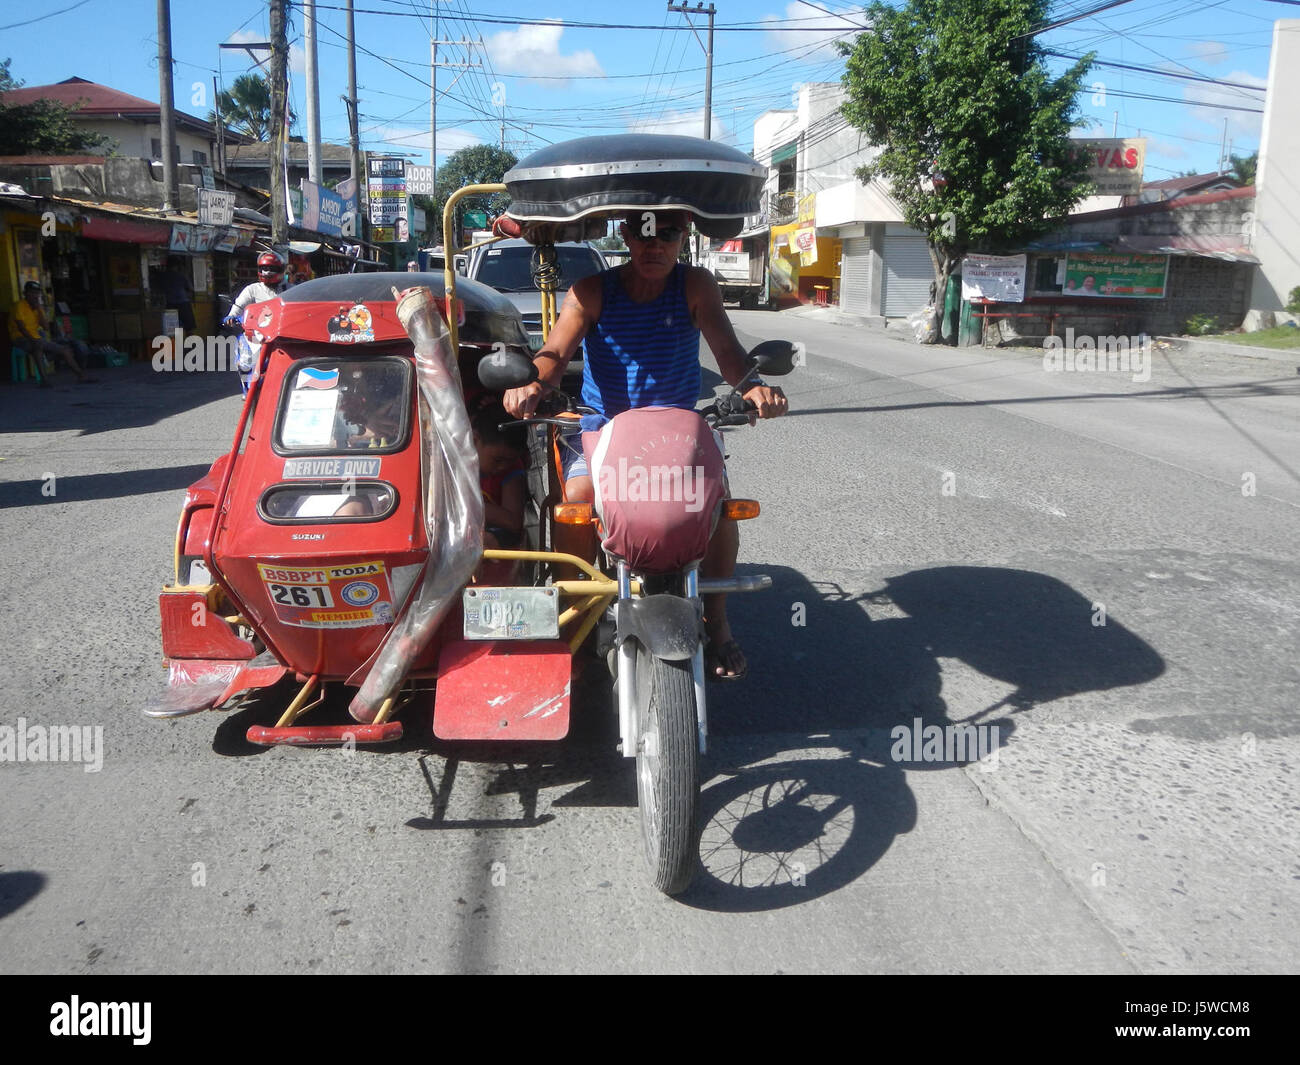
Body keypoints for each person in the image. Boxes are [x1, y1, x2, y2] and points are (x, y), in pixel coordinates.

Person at [503, 209, 788, 680]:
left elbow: (729, 353)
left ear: (684, 236)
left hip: (677, 429)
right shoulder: (591, 291)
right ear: (626, 235)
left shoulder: (695, 285)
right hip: (602, 424)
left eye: (668, 235)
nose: (655, 247)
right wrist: (532, 384)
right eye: (643, 234)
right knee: (577, 498)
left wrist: (752, 386)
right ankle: (577, 616)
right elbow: (553, 354)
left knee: (716, 503)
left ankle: (716, 620)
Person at [9, 281, 93, 385]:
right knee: (38, 347)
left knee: (64, 350)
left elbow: (46, 327)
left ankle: (81, 376)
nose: (35, 296)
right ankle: (44, 380)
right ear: (25, 293)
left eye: (37, 293)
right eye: (32, 293)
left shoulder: (37, 308)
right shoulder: (19, 306)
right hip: (20, 338)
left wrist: (39, 310)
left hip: (37, 339)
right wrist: (34, 340)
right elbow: (21, 328)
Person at [473, 403, 527, 549]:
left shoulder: (512, 470)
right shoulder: (457, 465)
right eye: (498, 460)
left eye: (510, 460)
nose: (503, 466)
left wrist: (467, 507)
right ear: (474, 440)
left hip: (498, 533)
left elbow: (513, 522)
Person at [161, 256, 196, 332]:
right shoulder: (181, 275)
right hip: (183, 304)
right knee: (189, 327)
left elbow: (161, 289)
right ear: (177, 265)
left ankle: (175, 342)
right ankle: (190, 343)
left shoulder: (163, 276)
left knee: (172, 329)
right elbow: (190, 288)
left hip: (170, 304)